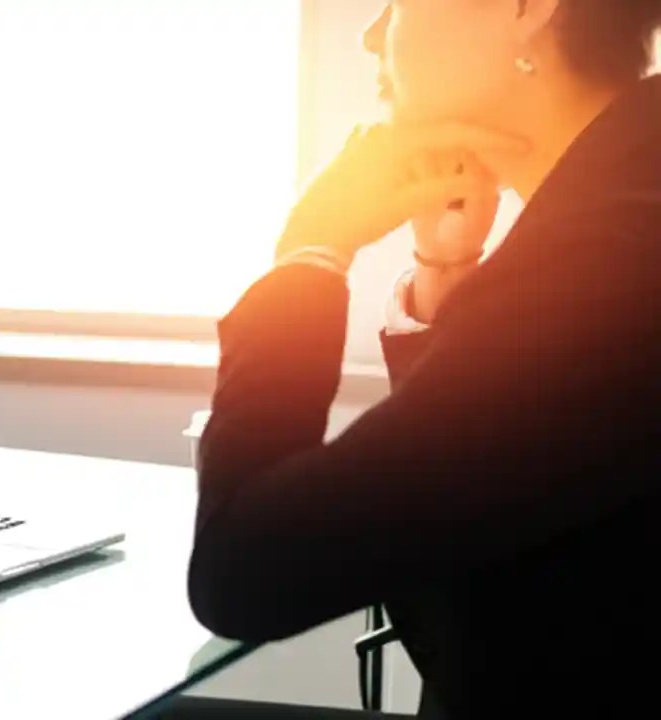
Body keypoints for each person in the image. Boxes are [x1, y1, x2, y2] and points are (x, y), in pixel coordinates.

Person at [171, 1, 661, 718]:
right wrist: (446, 273)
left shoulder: (607, 268)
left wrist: (312, 249)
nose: (374, 33)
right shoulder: (622, 213)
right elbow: (483, 565)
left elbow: (242, 575)